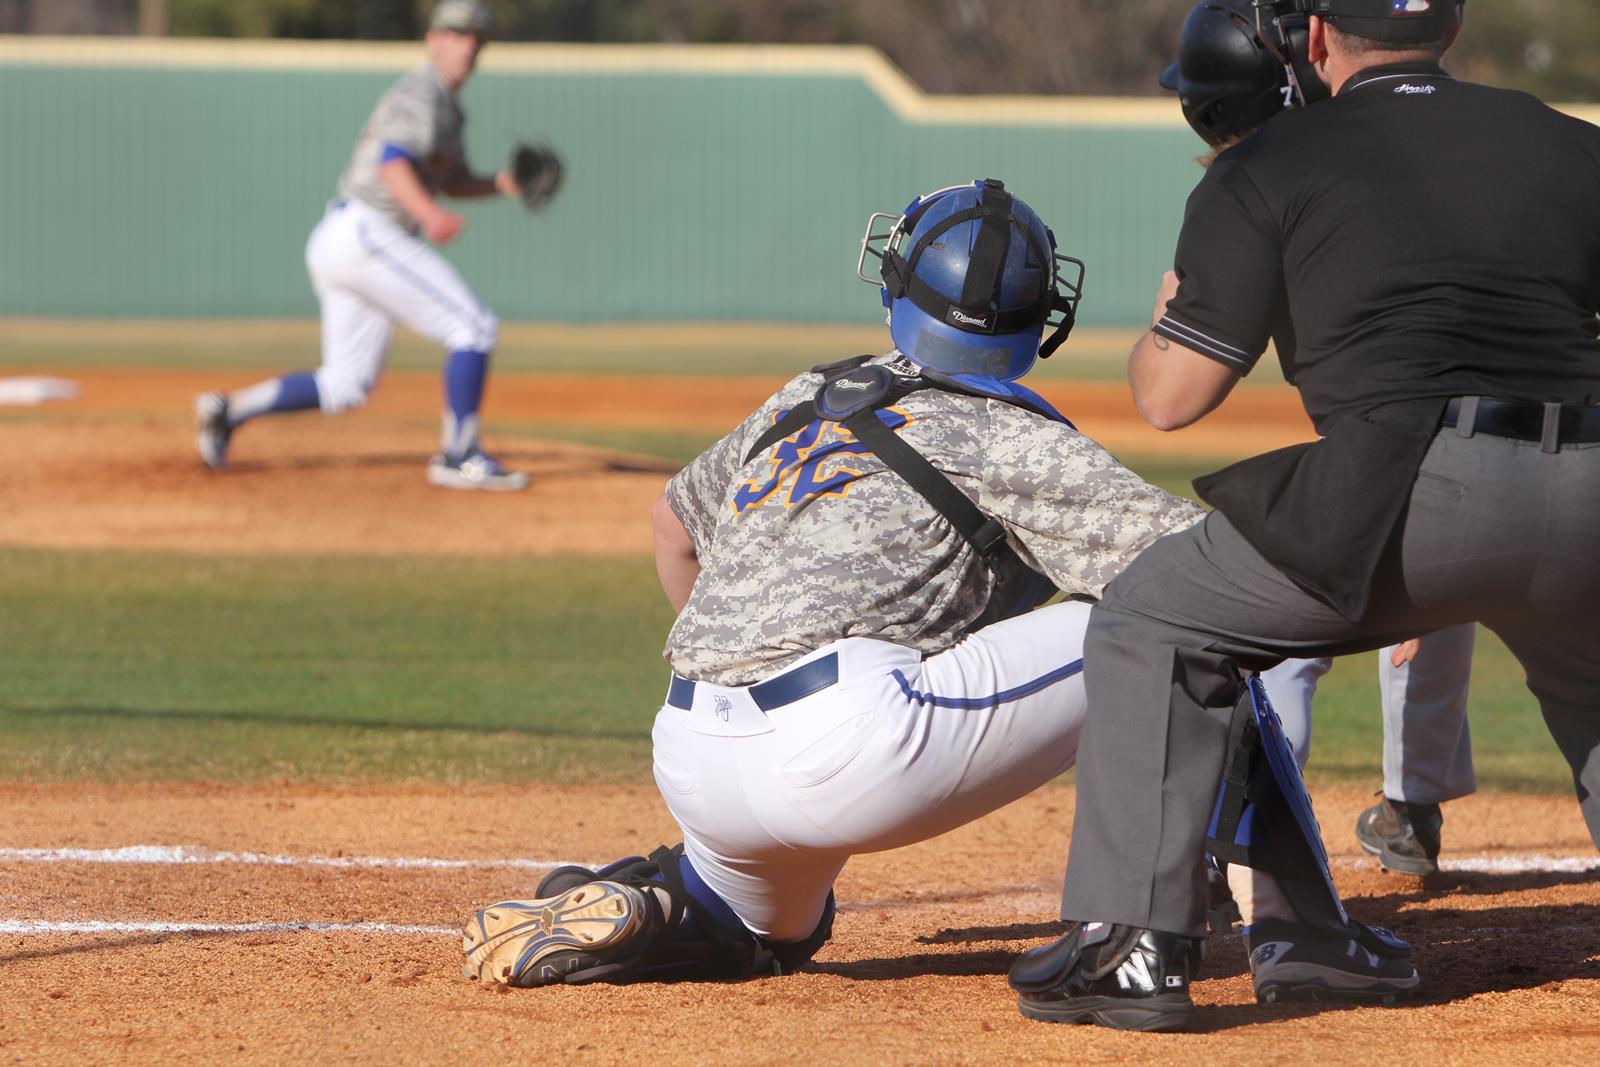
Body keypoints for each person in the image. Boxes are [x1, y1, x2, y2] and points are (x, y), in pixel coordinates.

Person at [458, 179, 1412, 1006]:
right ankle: (1301, 932)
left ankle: (661, 899)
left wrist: (750, 678)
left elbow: (672, 527)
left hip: (689, 750)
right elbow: (1205, 576)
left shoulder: (810, 393)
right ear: (1042, 321)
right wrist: (1403, 592)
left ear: (894, 285)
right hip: (850, 747)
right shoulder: (1013, 437)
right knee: (1178, 618)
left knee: (770, 935)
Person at [1017, 0, 1600, 1033]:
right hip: (1589, 484)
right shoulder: (1569, 143)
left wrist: (1167, 314)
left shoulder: (1267, 162)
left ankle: (1133, 945)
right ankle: (1299, 942)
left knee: (1153, 616)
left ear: (1318, 37)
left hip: (1405, 490)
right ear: (1448, 29)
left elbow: (1172, 398)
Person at [1163, 0, 1478, 879]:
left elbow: (1170, 398)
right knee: (1428, 603)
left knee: (1279, 636)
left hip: (1412, 447)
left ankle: (1236, 853)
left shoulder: (1262, 186)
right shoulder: (1402, 158)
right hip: (1483, 443)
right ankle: (1408, 807)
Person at [194, 0, 531, 491]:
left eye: (477, 38)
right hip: (369, 230)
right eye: (458, 35)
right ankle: (459, 455)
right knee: (473, 327)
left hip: (346, 237)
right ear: (432, 39)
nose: (469, 46)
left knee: (345, 383)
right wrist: (429, 215)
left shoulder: (448, 107)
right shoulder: (422, 91)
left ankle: (228, 412)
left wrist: (502, 183)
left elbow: (452, 180)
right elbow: (391, 162)